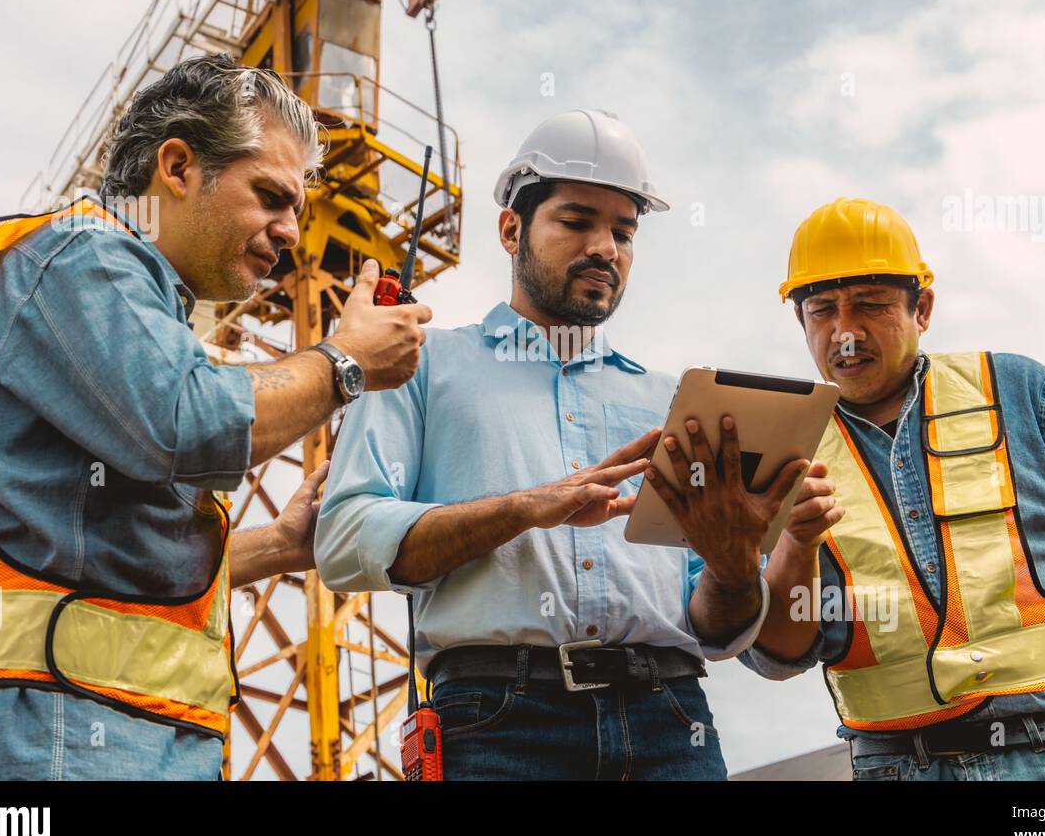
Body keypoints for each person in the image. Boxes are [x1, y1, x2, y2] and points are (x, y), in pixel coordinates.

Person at [0, 54, 430, 780]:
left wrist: (277, 544)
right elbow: (183, 420)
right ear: (176, 167)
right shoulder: (71, 255)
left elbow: (104, 566)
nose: (291, 234)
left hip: (107, 731)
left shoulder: (139, 318)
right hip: (36, 732)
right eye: (271, 196)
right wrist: (345, 363)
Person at [315, 109, 810, 780]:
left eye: (624, 231)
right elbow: (344, 539)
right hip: (496, 727)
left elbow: (719, 628)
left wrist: (729, 567)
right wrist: (525, 508)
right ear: (511, 229)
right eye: (578, 222)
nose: (605, 247)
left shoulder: (674, 403)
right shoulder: (418, 365)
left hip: (670, 721)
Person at [741, 196, 1045, 780]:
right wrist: (795, 546)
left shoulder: (1021, 391)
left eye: (871, 305)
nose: (845, 332)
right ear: (800, 322)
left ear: (922, 307)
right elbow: (775, 654)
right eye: (822, 310)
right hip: (899, 768)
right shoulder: (779, 450)